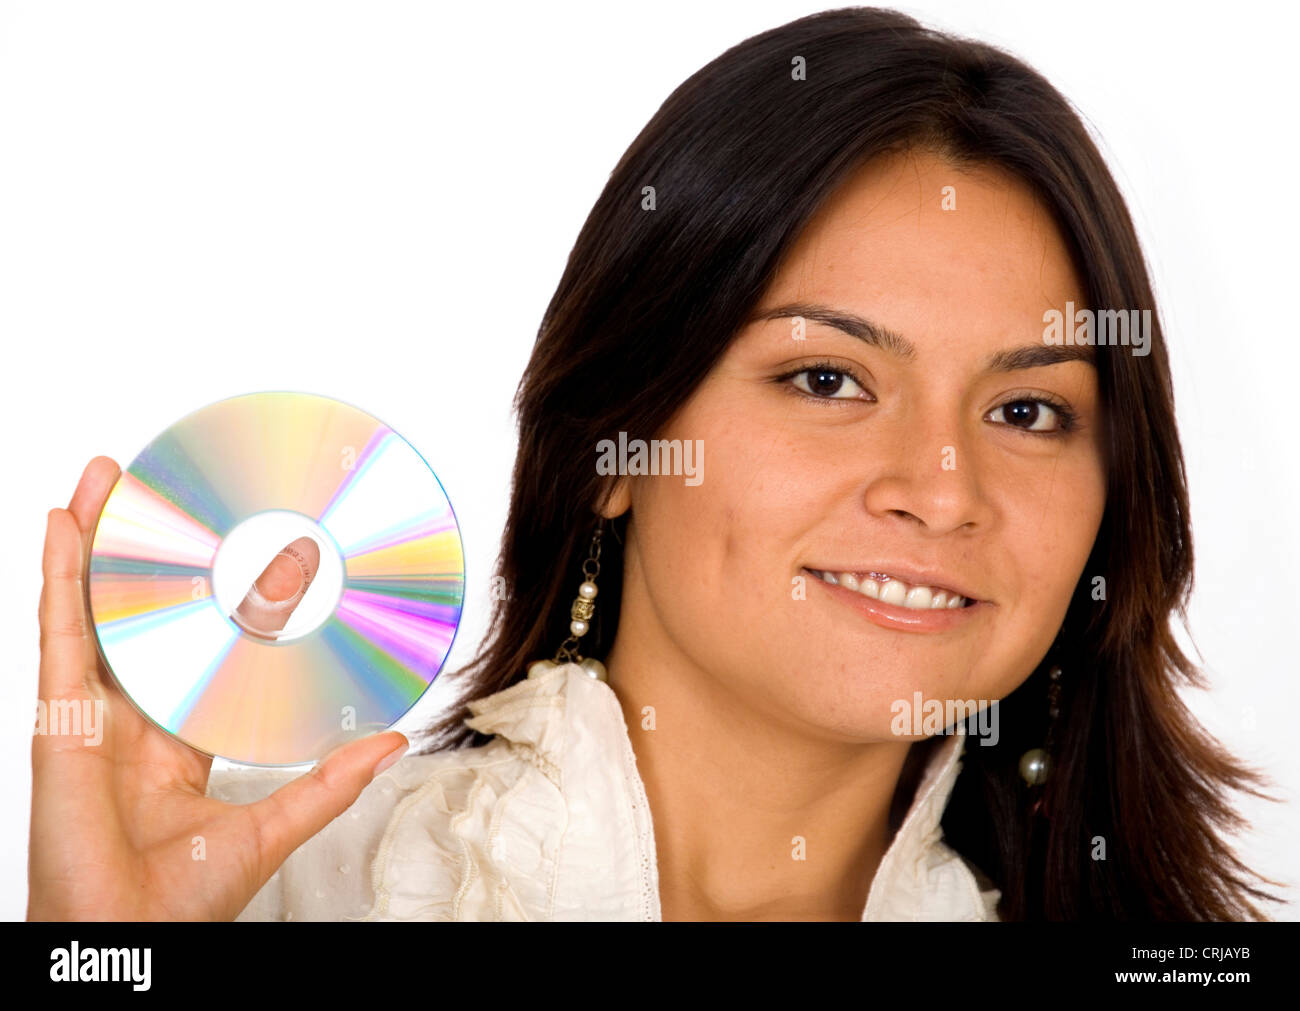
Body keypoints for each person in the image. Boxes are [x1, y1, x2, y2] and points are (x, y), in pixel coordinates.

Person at [28, 6, 1279, 921]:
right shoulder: (270, 897)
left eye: (1027, 411)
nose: (941, 488)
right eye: (827, 380)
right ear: (611, 446)